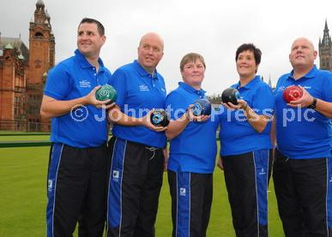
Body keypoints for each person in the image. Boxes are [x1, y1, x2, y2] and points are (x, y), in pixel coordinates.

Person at [40, 18, 113, 237]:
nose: (84, 37)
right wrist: (85, 100)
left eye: (90, 33)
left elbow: (108, 113)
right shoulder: (64, 69)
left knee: (94, 221)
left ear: (102, 39)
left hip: (99, 154)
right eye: (80, 33)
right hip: (69, 154)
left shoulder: (106, 74)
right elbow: (46, 109)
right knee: (62, 220)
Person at [273, 37, 332, 237]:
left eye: (304, 47)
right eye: (295, 48)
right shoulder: (282, 81)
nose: (299, 50)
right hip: (284, 161)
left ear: (315, 55)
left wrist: (312, 101)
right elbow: (275, 118)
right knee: (290, 222)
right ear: (290, 56)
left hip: (315, 161)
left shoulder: (326, 78)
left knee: (317, 222)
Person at [106, 32, 168, 237]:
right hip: (128, 151)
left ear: (161, 54)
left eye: (155, 49)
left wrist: (164, 149)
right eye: (146, 47)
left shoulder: (161, 81)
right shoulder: (123, 74)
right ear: (138, 49)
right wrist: (140, 121)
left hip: (155, 155)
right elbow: (112, 113)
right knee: (123, 217)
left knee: (147, 218)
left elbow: (160, 120)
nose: (150, 52)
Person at [218, 43, 274, 237]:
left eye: (249, 58)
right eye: (240, 57)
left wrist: (245, 108)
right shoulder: (231, 91)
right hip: (230, 156)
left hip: (253, 155)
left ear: (256, 65)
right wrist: (221, 152)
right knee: (239, 212)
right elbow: (224, 124)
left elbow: (261, 125)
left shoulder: (262, 89)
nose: (244, 61)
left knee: (253, 213)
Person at [165, 53, 219, 237]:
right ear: (182, 73)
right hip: (186, 170)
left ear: (204, 70)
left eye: (199, 66)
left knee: (199, 228)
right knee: (186, 229)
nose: (195, 69)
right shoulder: (176, 96)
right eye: (189, 66)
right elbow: (169, 131)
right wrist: (187, 116)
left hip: (205, 171)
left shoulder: (204, 98)